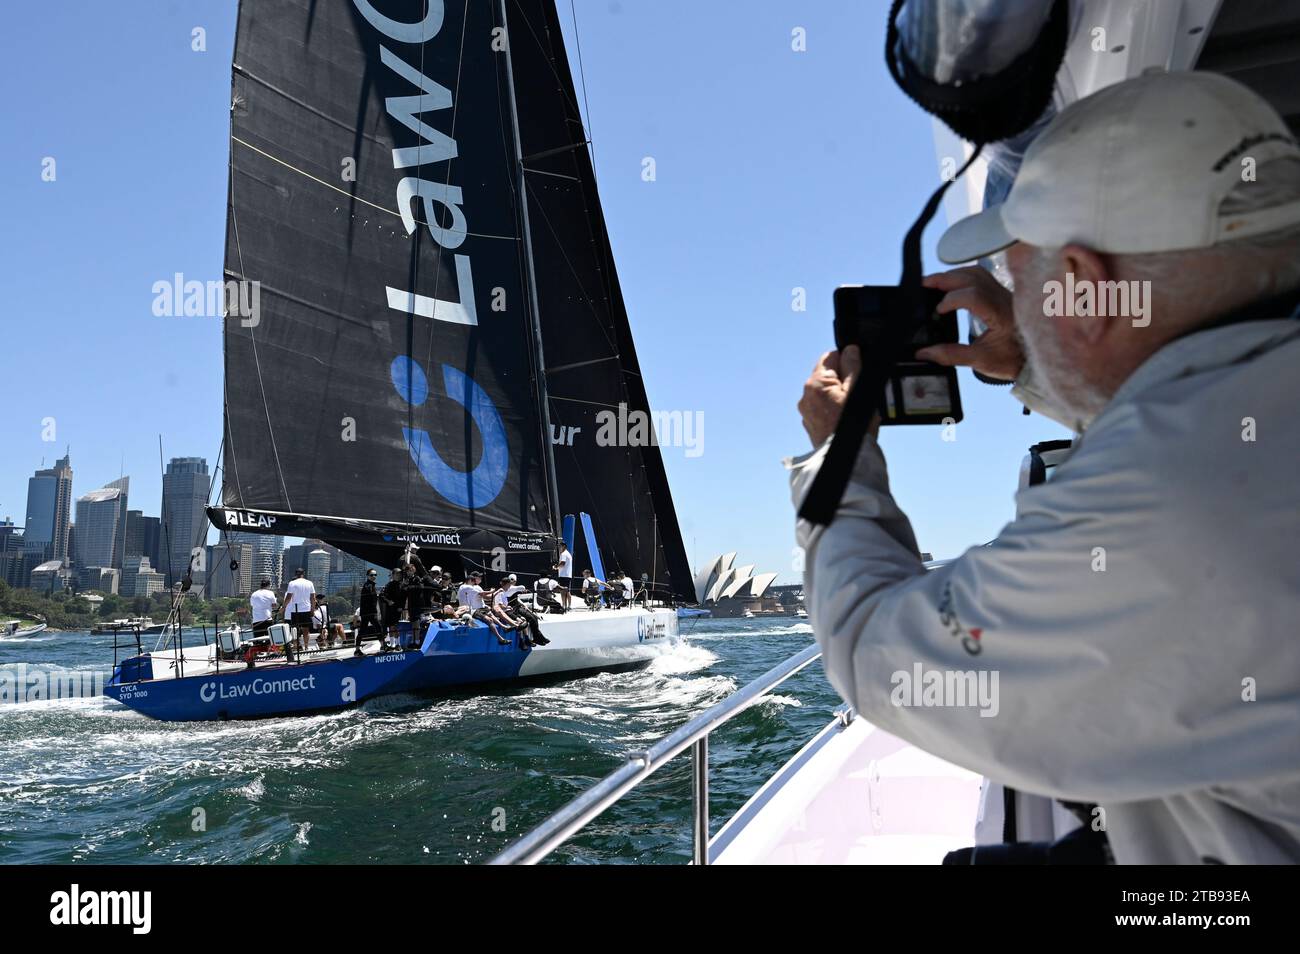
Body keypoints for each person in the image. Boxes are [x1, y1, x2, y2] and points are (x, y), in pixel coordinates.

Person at [791, 72, 1300, 864]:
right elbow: (1200, 420)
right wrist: (1037, 359)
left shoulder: (1158, 509)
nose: (1008, 298)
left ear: (1088, 289)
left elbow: (873, 652)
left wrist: (838, 453)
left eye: (1021, 279)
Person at [457, 571, 511, 645]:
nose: (473, 583)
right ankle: (500, 639)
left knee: (491, 615)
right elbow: (483, 594)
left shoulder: (465, 587)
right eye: (472, 581)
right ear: (470, 580)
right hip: (470, 611)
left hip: (472, 609)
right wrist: (493, 591)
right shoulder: (467, 587)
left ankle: (504, 627)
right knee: (490, 620)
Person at [501, 573, 549, 646]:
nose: (512, 582)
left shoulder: (512, 589)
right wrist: (522, 589)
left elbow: (516, 598)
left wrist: (524, 605)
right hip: (514, 609)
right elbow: (522, 587)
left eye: (513, 581)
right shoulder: (509, 589)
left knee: (534, 617)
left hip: (518, 606)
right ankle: (537, 637)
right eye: (510, 581)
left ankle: (538, 637)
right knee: (530, 618)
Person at [282, 567, 315, 652]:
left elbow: (288, 597)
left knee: (294, 630)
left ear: (296, 574)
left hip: (295, 610)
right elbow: (313, 598)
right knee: (306, 630)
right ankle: (306, 647)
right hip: (306, 609)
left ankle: (296, 648)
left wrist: (284, 607)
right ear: (303, 573)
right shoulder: (309, 583)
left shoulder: (292, 583)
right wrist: (312, 609)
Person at [356, 568, 381, 655]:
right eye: (371, 575)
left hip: (367, 612)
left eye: (375, 575)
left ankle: (357, 650)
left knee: (363, 630)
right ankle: (383, 646)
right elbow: (370, 597)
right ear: (367, 576)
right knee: (378, 628)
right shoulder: (368, 586)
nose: (374, 576)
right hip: (369, 612)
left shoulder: (370, 585)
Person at [379, 567, 405, 647]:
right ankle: (392, 643)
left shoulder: (402, 585)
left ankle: (397, 643)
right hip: (389, 609)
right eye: (397, 574)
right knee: (390, 626)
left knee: (395, 626)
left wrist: (401, 607)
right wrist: (388, 601)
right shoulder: (389, 585)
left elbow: (403, 598)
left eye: (400, 574)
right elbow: (382, 595)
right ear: (393, 575)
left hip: (398, 609)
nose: (399, 575)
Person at [556, 542, 574, 610]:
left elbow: (562, 563)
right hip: (568, 575)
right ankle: (569, 606)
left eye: (560, 546)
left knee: (563, 591)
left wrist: (556, 567)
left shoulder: (563, 554)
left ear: (564, 546)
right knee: (567, 591)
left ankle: (563, 606)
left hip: (563, 575)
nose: (559, 548)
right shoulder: (568, 554)